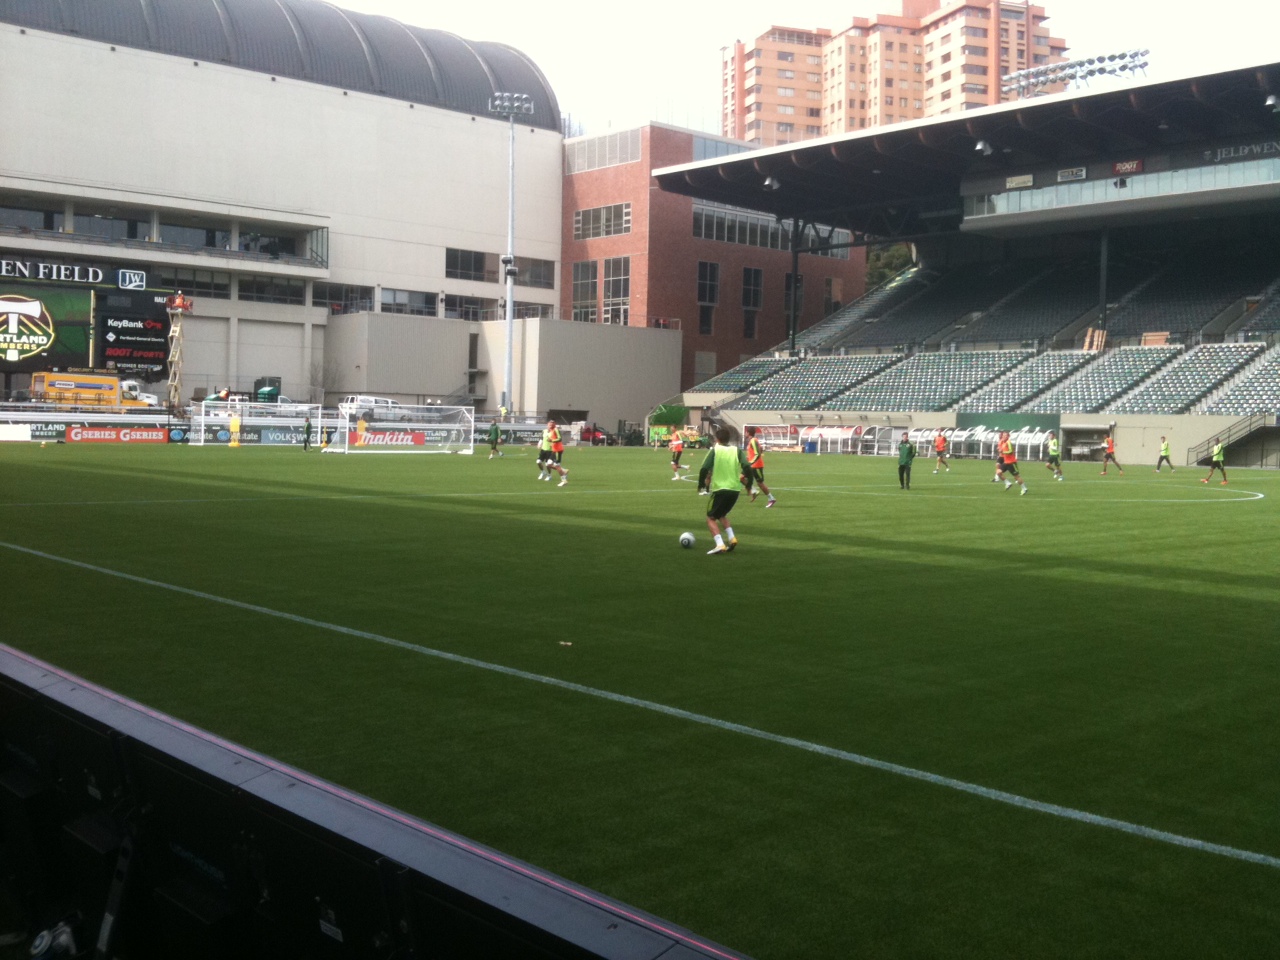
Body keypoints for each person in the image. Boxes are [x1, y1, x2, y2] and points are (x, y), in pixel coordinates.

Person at [698, 426, 751, 554]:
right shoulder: (736, 450)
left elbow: (704, 468)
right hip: (734, 490)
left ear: (717, 439)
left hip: (721, 489)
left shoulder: (715, 450)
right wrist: (749, 485)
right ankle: (732, 538)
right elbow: (747, 466)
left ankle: (720, 544)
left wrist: (701, 484)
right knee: (721, 515)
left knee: (710, 518)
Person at [742, 426, 776, 507]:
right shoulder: (752, 441)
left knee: (760, 483)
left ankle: (771, 498)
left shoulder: (753, 440)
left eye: (746, 432)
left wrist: (751, 461)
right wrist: (749, 458)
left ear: (748, 432)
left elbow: (757, 453)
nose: (745, 433)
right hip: (752, 464)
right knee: (741, 477)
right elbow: (760, 449)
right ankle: (754, 491)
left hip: (756, 465)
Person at [997, 430, 1027, 495]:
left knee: (1016, 477)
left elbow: (1010, 451)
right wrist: (1000, 450)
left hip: (1012, 463)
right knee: (998, 472)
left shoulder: (1008, 442)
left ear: (1008, 436)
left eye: (1005, 435)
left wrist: (1003, 452)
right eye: (1003, 435)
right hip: (1006, 462)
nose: (1003, 436)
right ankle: (1008, 483)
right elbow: (1003, 451)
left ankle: (1024, 488)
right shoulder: (1003, 443)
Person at [539, 419, 568, 486]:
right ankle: (564, 471)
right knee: (548, 464)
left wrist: (552, 440)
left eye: (552, 423)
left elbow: (560, 438)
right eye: (550, 424)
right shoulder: (551, 430)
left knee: (557, 466)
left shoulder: (555, 430)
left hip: (558, 450)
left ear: (554, 424)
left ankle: (564, 480)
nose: (551, 425)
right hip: (554, 450)